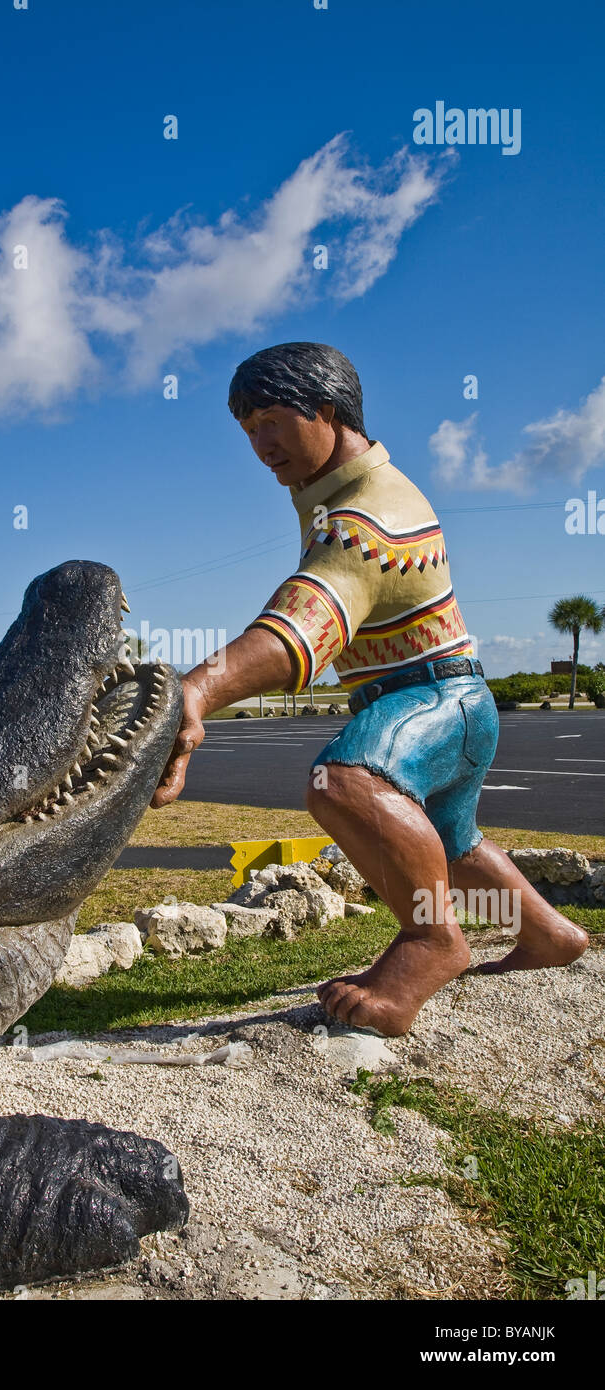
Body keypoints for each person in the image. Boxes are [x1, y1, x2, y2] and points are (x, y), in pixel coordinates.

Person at [151, 342, 587, 1035]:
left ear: (326, 411)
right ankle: (548, 935)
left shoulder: (364, 519)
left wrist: (197, 689)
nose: (261, 444)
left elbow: (301, 629)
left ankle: (430, 941)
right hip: (450, 699)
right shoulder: (337, 498)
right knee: (450, 844)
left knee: (345, 783)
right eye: (248, 431)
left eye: (271, 421)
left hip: (432, 698)